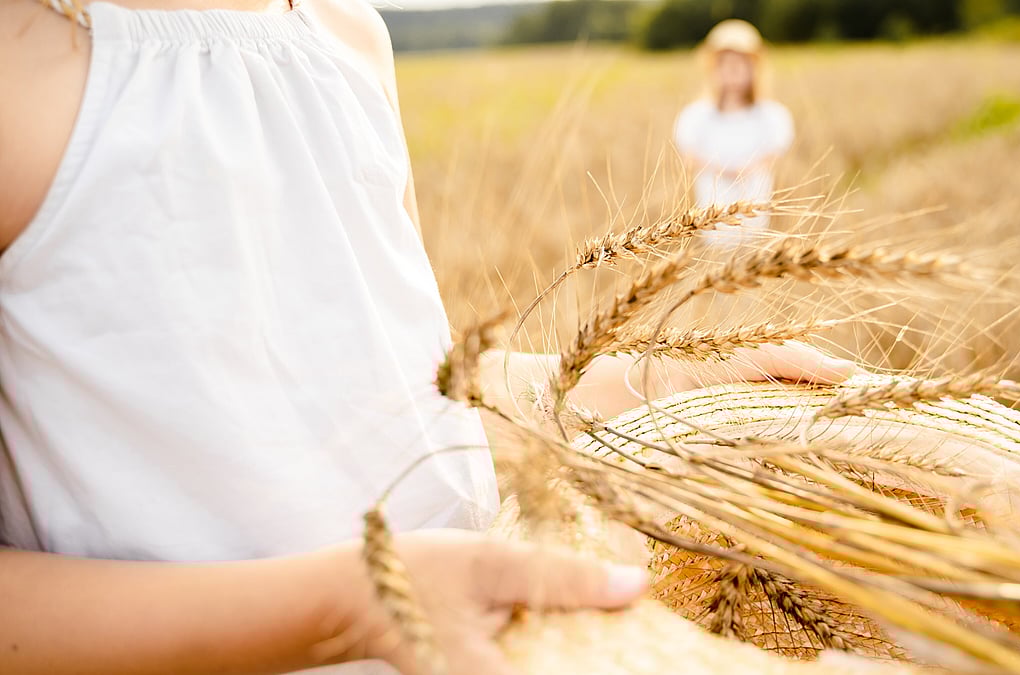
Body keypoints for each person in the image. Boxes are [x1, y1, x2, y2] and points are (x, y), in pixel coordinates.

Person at [0, 0, 858, 673]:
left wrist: (657, 386)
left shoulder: (347, 38)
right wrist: (353, 606)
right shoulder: (20, 73)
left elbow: (416, 394)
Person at [674, 19, 795, 247]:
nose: (733, 69)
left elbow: (775, 152)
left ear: (755, 68)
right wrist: (721, 170)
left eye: (742, 63)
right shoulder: (695, 115)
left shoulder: (772, 115)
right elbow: (688, 154)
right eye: (725, 63)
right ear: (713, 68)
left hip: (754, 217)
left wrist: (747, 169)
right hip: (711, 216)